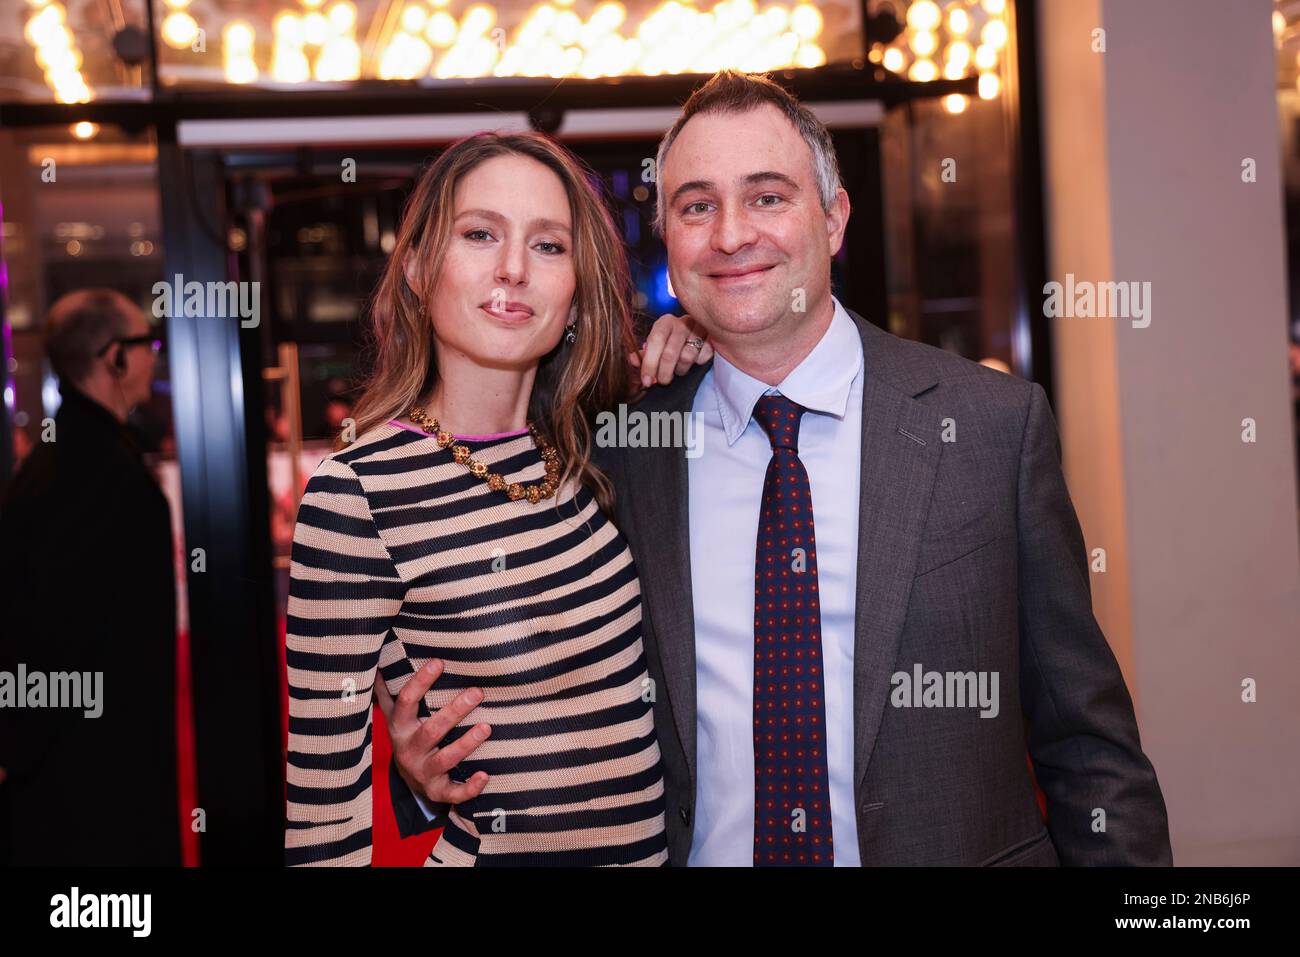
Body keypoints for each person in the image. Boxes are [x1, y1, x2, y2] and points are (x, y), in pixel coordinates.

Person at [390, 70, 1173, 866]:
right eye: (697, 205)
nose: (731, 235)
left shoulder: (990, 428)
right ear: (669, 234)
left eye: (767, 196)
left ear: (833, 218)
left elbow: (1090, 747)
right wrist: (426, 772)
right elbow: (554, 712)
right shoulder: (617, 453)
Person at [283, 131, 710, 866]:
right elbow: (324, 812)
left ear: (576, 290)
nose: (514, 268)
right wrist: (413, 778)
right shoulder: (356, 493)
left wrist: (704, 341)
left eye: (549, 246)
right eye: (480, 234)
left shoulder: (590, 450)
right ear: (418, 268)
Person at [0, 288, 180, 865]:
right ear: (113, 357)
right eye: (144, 344)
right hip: (98, 787)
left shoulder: (53, 465)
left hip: (63, 779)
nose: (154, 357)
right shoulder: (101, 476)